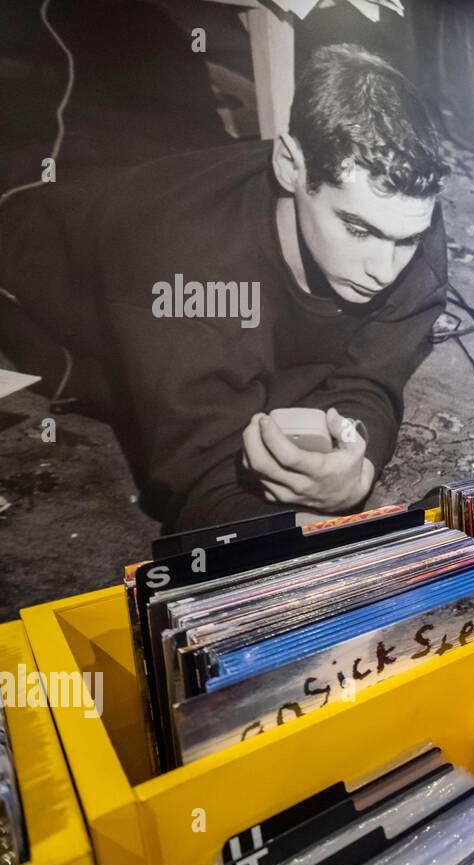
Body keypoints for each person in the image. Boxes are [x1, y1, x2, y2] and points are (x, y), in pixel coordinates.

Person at [0, 43, 449, 532]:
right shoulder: (186, 269)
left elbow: (372, 379)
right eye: (358, 230)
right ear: (289, 165)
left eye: (406, 239)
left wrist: (357, 468)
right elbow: (202, 486)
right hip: (38, 251)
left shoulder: (402, 213)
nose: (385, 268)